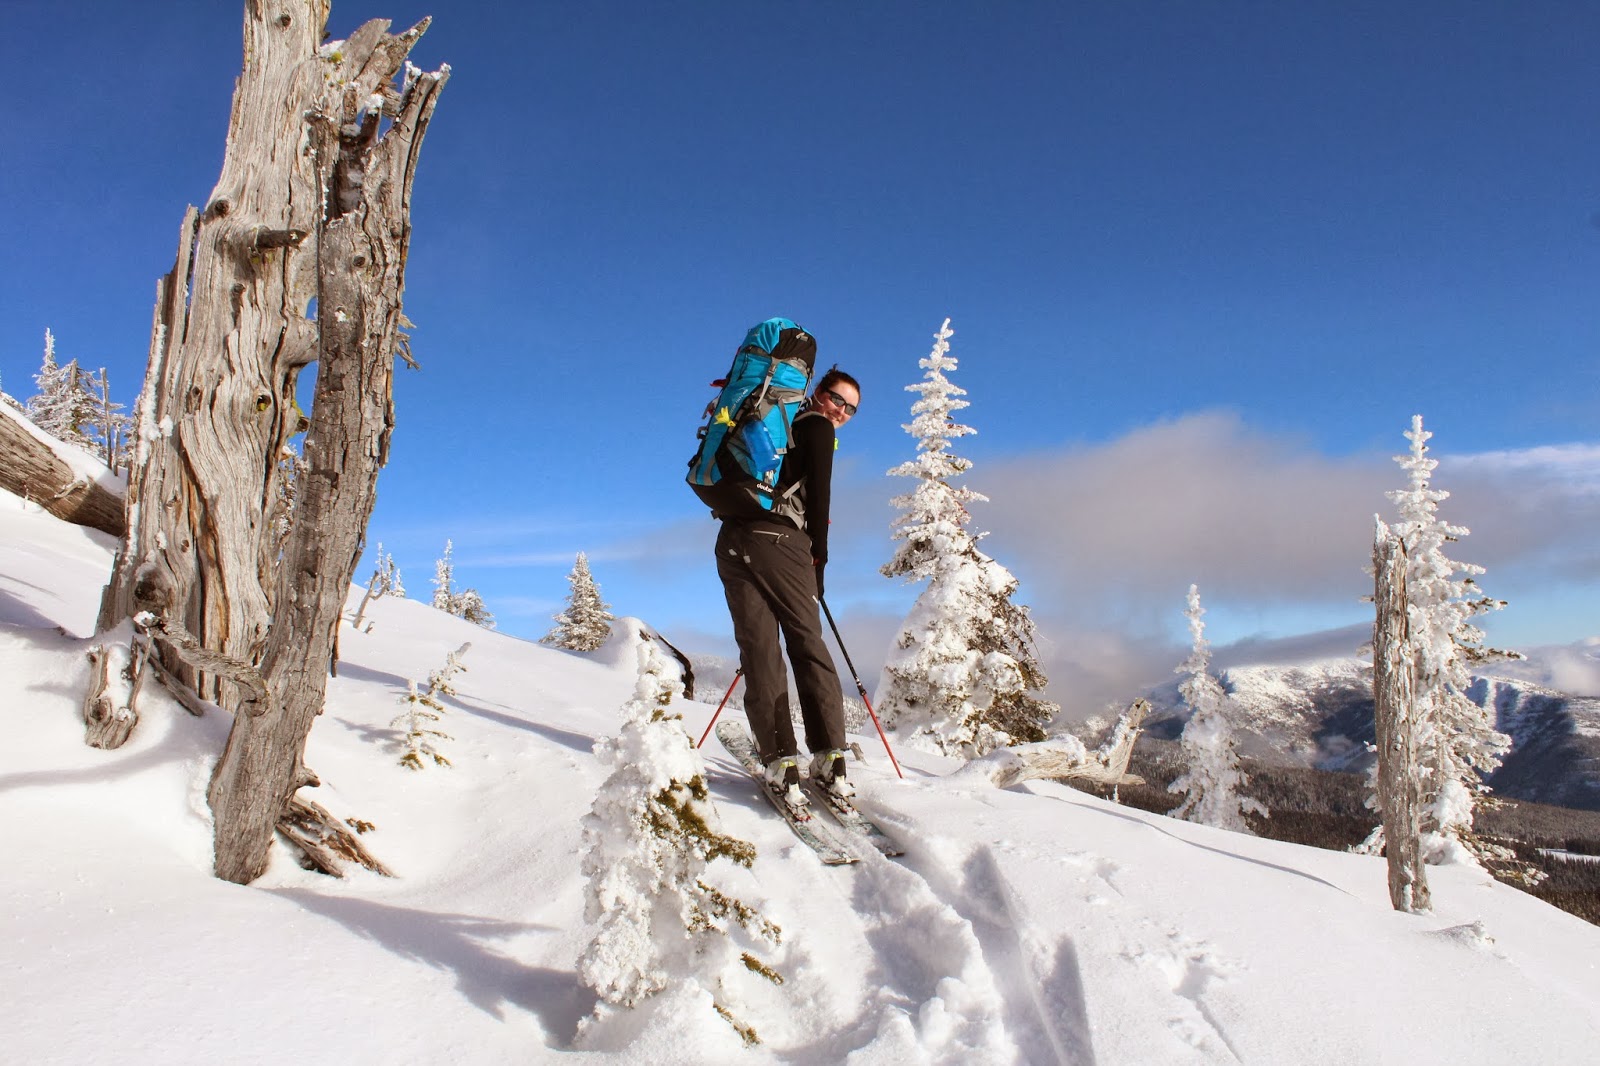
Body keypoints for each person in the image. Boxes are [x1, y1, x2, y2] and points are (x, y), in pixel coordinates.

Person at [715, 366, 861, 805]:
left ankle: (780, 759)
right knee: (806, 642)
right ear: (817, 393)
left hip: (732, 539)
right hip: (781, 540)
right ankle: (829, 757)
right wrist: (820, 557)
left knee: (759, 649)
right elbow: (820, 496)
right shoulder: (815, 426)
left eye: (851, 408)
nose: (842, 412)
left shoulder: (770, 424)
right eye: (837, 399)